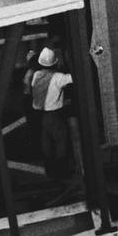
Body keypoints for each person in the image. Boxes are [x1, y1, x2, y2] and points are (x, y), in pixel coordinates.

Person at [30, 47, 73, 179]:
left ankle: (50, 171)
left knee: (47, 143)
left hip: (41, 115)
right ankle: (62, 172)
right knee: (61, 141)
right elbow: (73, 77)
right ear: (55, 63)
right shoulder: (58, 78)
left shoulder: (36, 75)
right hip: (55, 115)